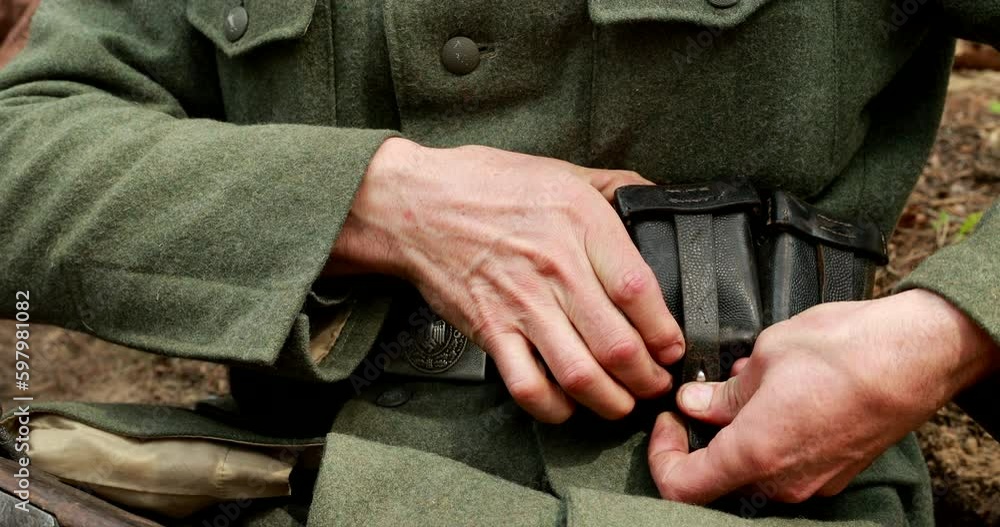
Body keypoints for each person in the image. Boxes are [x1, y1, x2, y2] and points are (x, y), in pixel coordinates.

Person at [0, 1, 997, 525]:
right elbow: (23, 142)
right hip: (270, 480)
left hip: (718, 490)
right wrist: (379, 198)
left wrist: (944, 333)